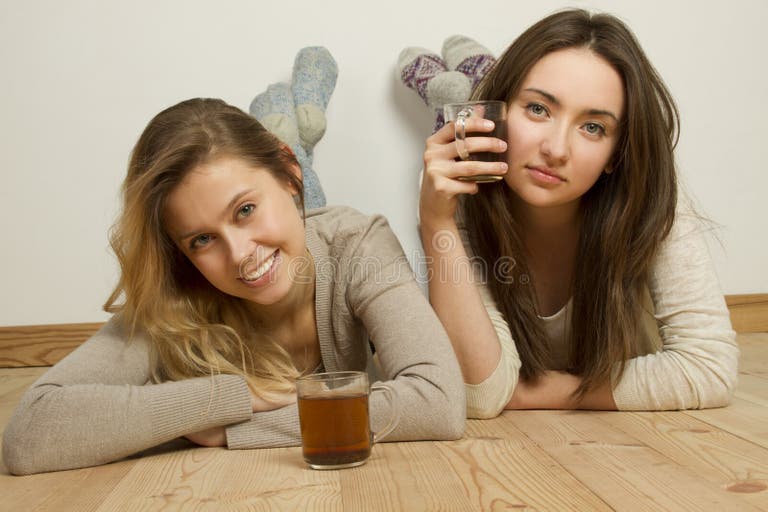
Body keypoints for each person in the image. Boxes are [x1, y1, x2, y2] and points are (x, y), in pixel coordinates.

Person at [3, 98, 465, 475]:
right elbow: (31, 434)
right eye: (202, 240)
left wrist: (235, 431)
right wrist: (232, 398)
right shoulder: (175, 297)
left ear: (289, 171)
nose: (240, 253)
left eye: (244, 210)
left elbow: (438, 400)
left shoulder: (357, 244)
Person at [418, 9, 738, 419]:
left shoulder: (650, 195)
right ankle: (471, 78)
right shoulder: (456, 189)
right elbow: (481, 393)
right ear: (499, 112)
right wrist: (436, 222)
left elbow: (709, 368)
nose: (556, 150)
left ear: (615, 155)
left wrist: (527, 394)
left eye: (593, 128)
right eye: (538, 109)